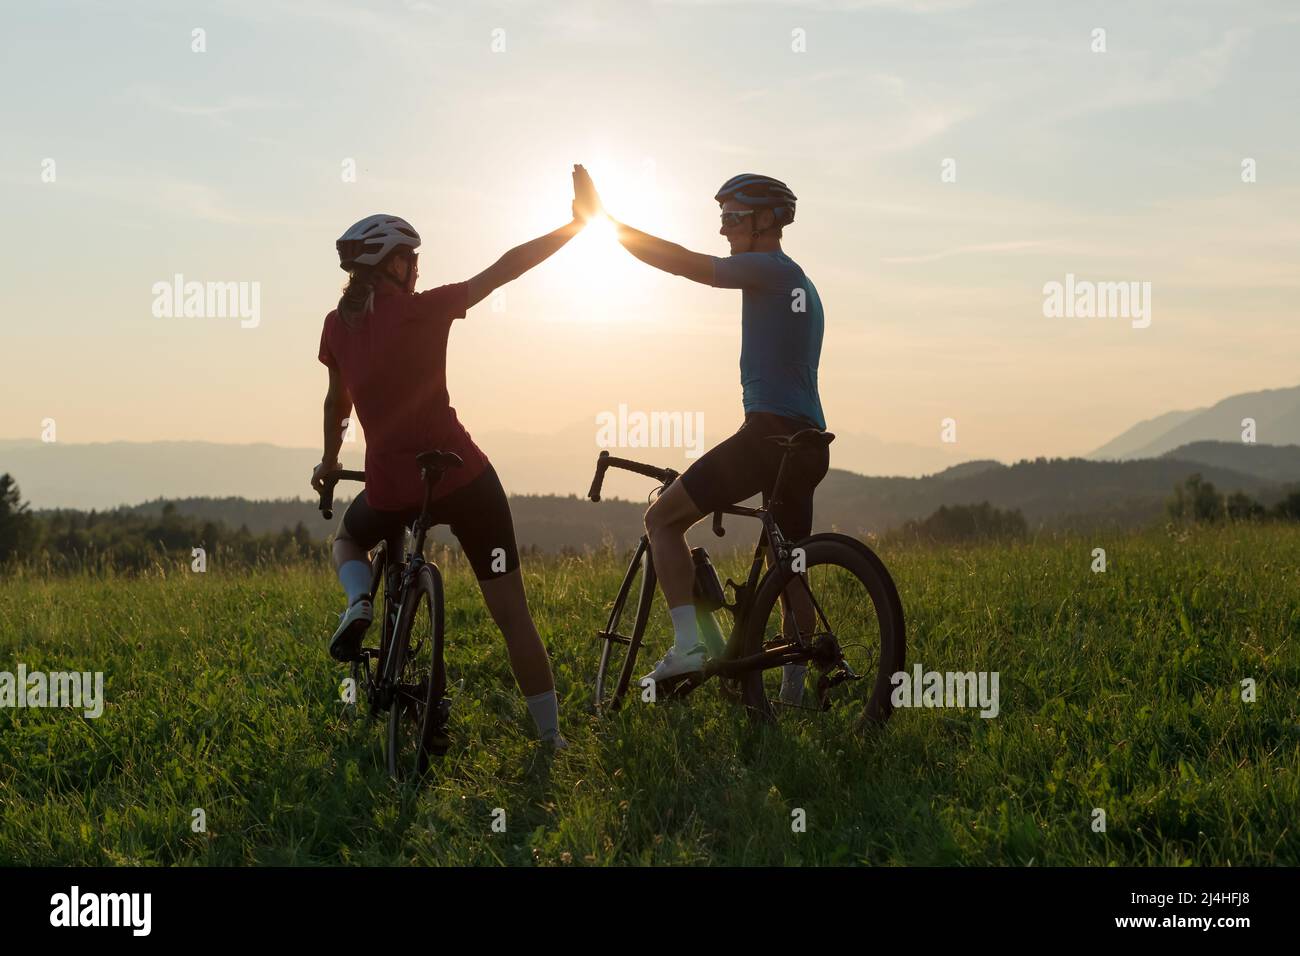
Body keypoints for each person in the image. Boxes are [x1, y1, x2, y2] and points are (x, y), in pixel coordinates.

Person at [310, 170, 593, 748]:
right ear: (393, 266)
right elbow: (506, 267)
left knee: (347, 539)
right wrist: (576, 225)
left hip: (392, 488)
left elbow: (336, 403)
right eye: (412, 260)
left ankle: (360, 598)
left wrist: (330, 461)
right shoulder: (425, 310)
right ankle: (552, 739)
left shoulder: (337, 328)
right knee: (513, 615)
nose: (418, 271)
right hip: (463, 478)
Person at [573, 168, 828, 699]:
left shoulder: (768, 270)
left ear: (763, 222)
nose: (723, 230)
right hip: (807, 443)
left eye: (732, 218)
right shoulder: (799, 281)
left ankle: (689, 644)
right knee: (790, 568)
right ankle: (793, 692)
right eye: (722, 219)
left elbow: (689, 266)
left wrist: (608, 225)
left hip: (767, 437)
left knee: (661, 519)